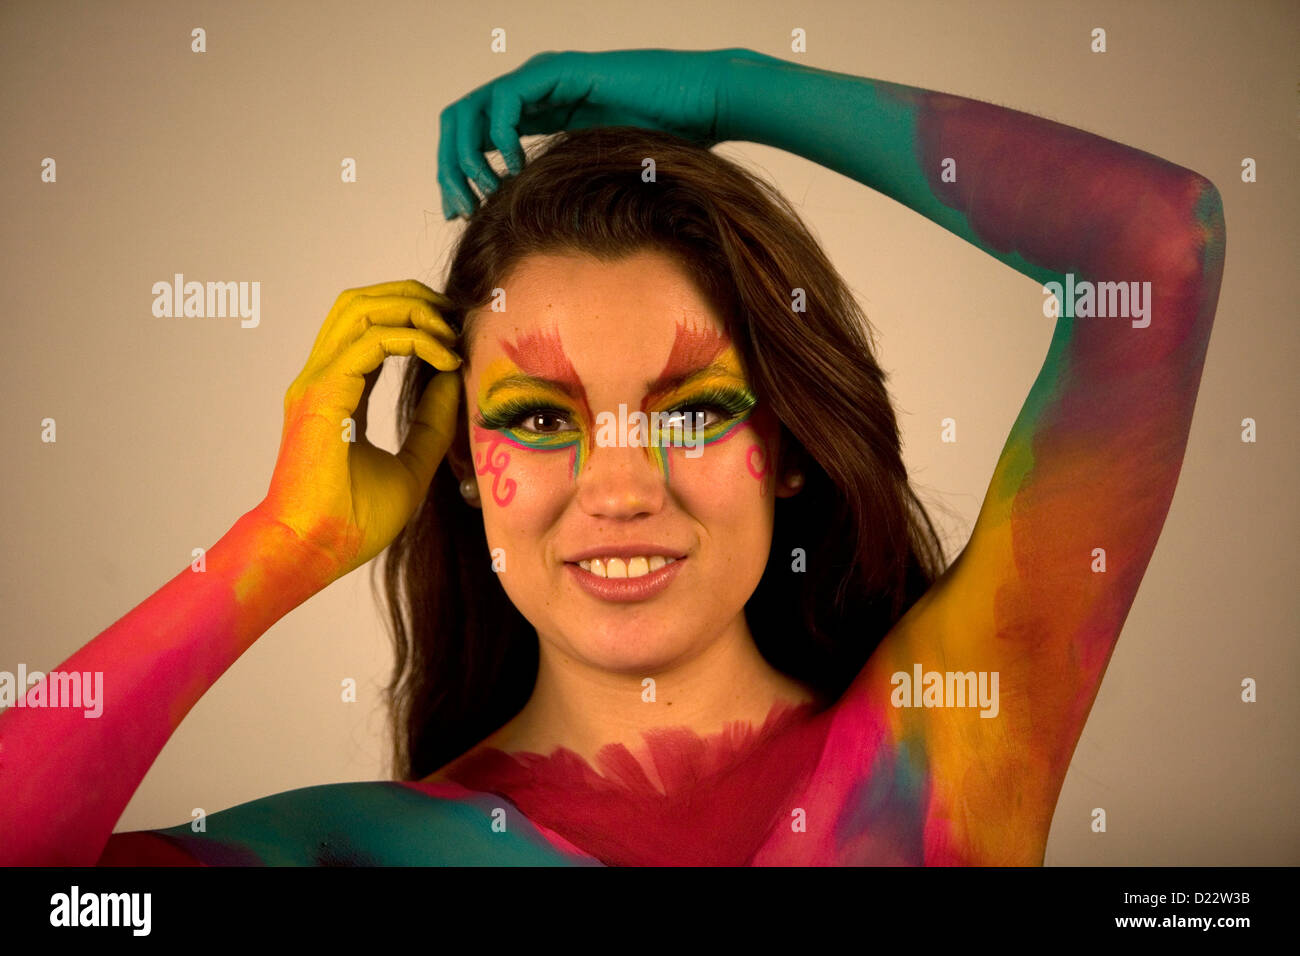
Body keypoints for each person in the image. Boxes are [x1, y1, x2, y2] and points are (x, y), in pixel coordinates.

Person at [0, 48, 1225, 866]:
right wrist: (278, 547)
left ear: (787, 445)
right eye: (538, 416)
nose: (623, 486)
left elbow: (1155, 242)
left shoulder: (941, 747)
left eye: (693, 408)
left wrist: (727, 88)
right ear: (466, 467)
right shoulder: (355, 850)